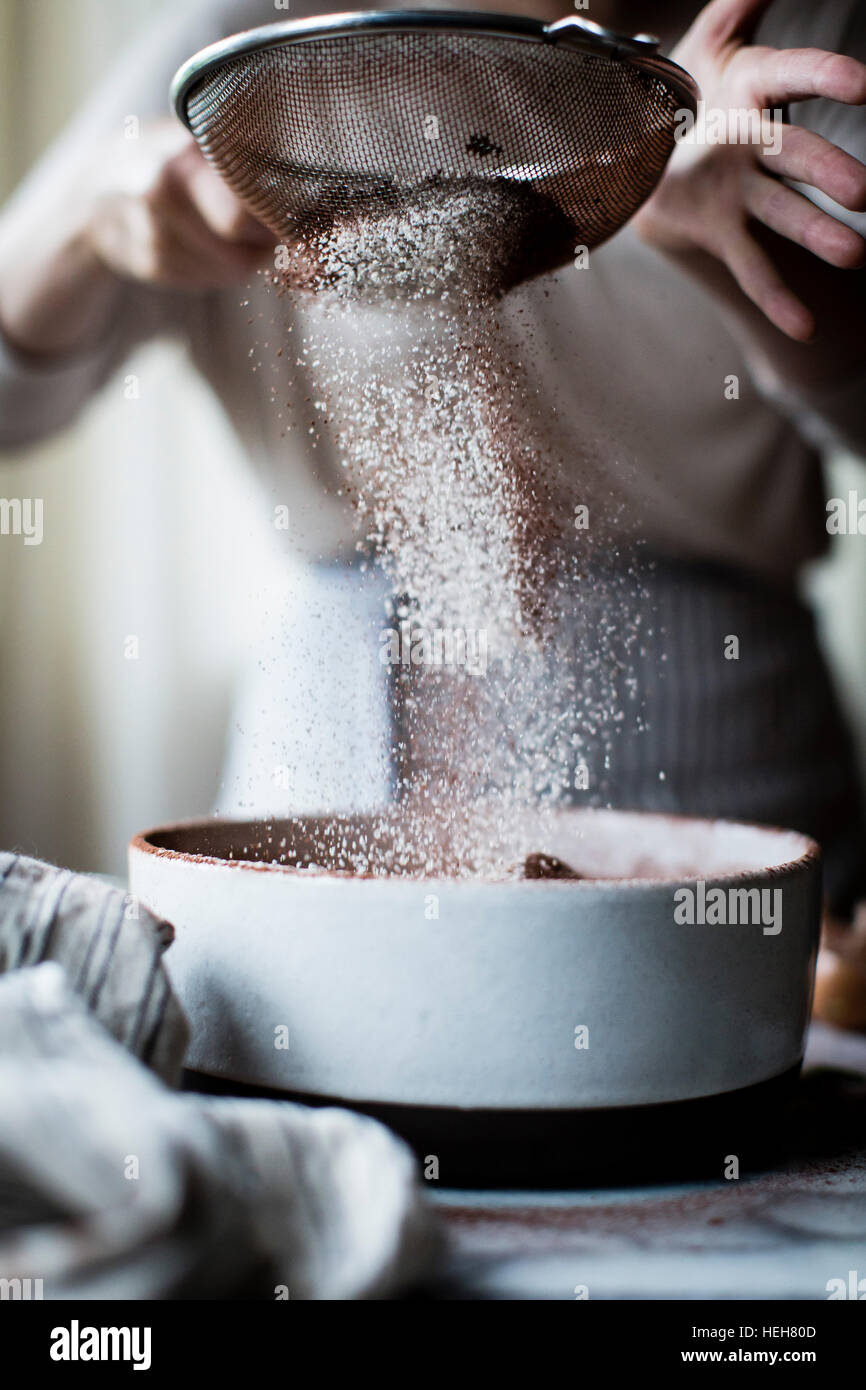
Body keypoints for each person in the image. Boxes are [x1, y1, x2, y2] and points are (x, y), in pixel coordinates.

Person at [1, 1, 865, 924]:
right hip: (328, 733)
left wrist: (744, 256)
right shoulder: (246, 36)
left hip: (726, 750)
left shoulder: (784, 42)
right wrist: (92, 220)